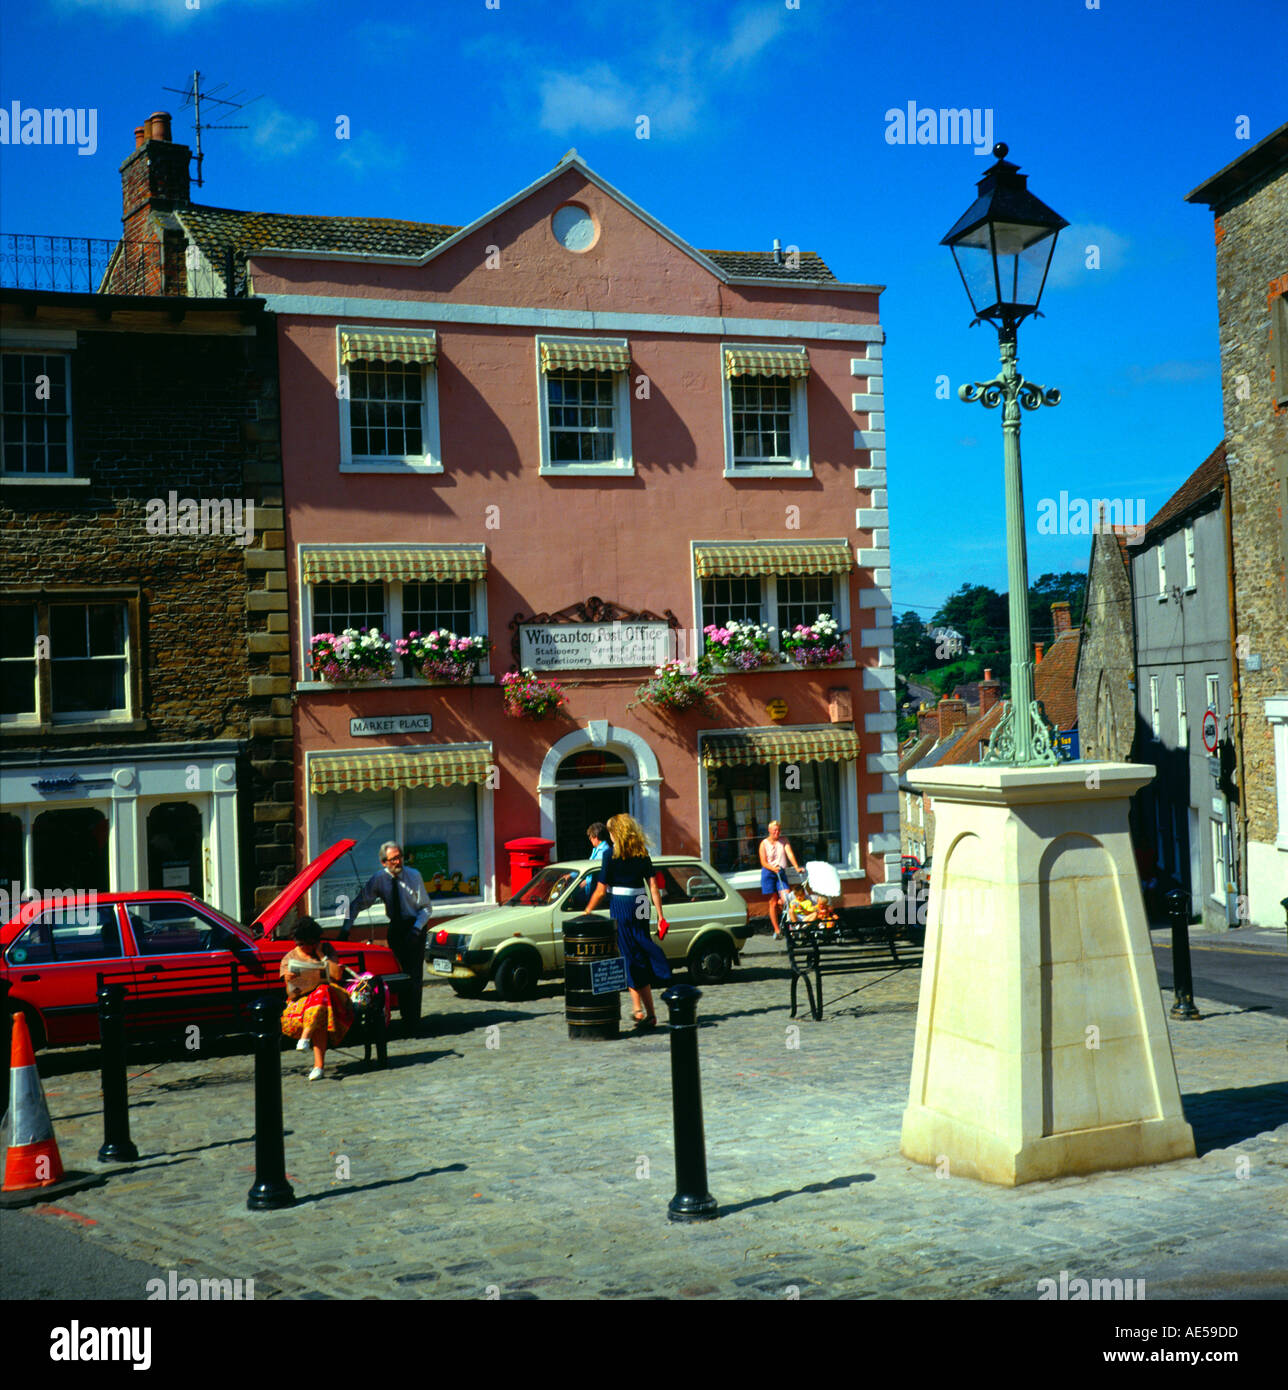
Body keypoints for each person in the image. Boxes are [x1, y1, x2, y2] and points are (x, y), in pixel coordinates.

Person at [585, 812, 671, 1030]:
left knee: (628, 953)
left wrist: (587, 911)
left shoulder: (610, 856)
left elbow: (600, 890)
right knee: (640, 946)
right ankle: (644, 1011)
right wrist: (660, 916)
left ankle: (640, 1011)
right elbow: (653, 887)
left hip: (622, 904)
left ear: (616, 833)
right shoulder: (642, 853)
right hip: (641, 902)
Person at [343, 841, 432, 1025]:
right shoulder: (379, 879)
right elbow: (359, 903)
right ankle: (395, 1012)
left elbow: (426, 908)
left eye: (400, 857)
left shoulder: (414, 876)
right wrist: (345, 929)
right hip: (397, 928)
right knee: (397, 972)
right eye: (393, 860)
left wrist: (416, 930)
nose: (398, 862)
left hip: (414, 925)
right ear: (384, 862)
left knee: (414, 975)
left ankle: (413, 1019)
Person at [280, 916, 355, 1080]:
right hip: (303, 1002)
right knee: (318, 1010)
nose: (309, 947)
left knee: (322, 992)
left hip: (332, 998)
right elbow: (290, 993)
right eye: (304, 944)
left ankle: (306, 1038)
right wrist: (289, 979)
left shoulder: (326, 949)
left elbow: (336, 975)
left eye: (313, 943)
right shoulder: (290, 958)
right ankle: (318, 1067)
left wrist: (321, 955)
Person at [759, 820, 801, 940]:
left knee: (786, 899)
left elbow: (790, 854)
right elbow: (763, 862)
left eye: (778, 830)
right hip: (769, 873)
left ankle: (792, 926)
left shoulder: (784, 841)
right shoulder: (764, 843)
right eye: (775, 830)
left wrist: (797, 867)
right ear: (769, 831)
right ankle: (777, 930)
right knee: (772, 902)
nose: (777, 832)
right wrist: (772, 868)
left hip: (781, 873)